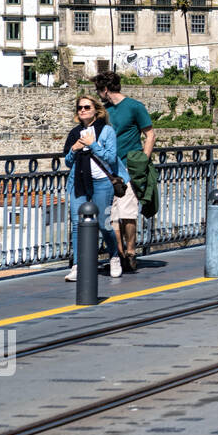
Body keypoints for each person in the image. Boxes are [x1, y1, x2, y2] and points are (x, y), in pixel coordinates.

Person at [94, 70, 155, 272]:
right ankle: (118, 254)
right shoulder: (104, 110)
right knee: (111, 214)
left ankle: (130, 252)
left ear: (105, 90)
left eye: (98, 91)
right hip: (108, 168)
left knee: (128, 212)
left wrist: (142, 161)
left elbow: (150, 134)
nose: (97, 95)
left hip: (129, 166)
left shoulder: (135, 107)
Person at [63, 95, 126, 280]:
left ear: (96, 110)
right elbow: (67, 162)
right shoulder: (75, 133)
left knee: (103, 224)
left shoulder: (106, 131)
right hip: (79, 182)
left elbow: (111, 158)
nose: (82, 110)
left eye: (87, 107)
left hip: (102, 183)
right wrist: (73, 149)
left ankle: (114, 256)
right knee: (77, 224)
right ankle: (77, 265)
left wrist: (93, 145)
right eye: (80, 108)